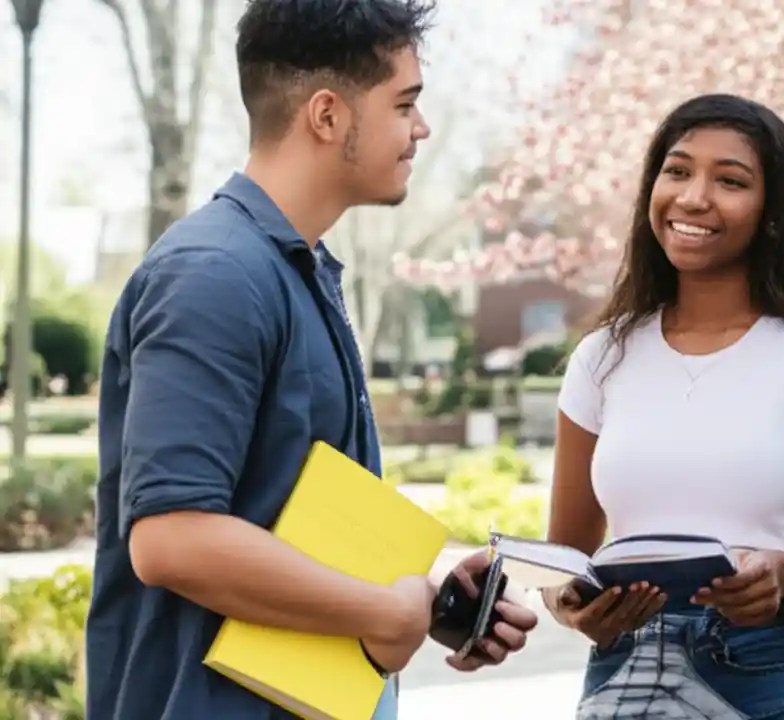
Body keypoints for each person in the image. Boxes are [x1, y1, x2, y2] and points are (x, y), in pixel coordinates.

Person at [84, 2, 537, 719]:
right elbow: (173, 539)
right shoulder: (215, 276)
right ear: (327, 116)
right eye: (405, 104)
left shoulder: (294, 271)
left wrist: (427, 596)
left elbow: (276, 515)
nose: (421, 129)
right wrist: (382, 612)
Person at [542, 93, 784, 719]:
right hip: (622, 670)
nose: (693, 197)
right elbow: (564, 561)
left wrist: (783, 574)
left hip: (766, 669)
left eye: (731, 181)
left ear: (773, 211)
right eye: (678, 171)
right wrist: (570, 605)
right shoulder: (602, 356)